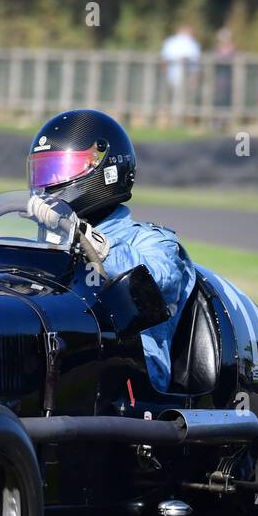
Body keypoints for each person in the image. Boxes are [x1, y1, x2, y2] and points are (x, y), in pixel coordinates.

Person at [24, 109, 195, 394]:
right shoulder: (47, 245)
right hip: (60, 360)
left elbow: (161, 279)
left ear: (105, 168)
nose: (48, 185)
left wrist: (86, 238)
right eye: (43, 171)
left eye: (57, 171)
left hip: (130, 378)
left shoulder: (153, 241)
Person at [160, 24, 200, 102]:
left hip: (171, 75)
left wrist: (163, 73)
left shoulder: (170, 41)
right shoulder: (191, 43)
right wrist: (194, 77)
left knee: (170, 97)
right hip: (185, 76)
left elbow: (164, 60)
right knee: (183, 98)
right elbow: (195, 62)